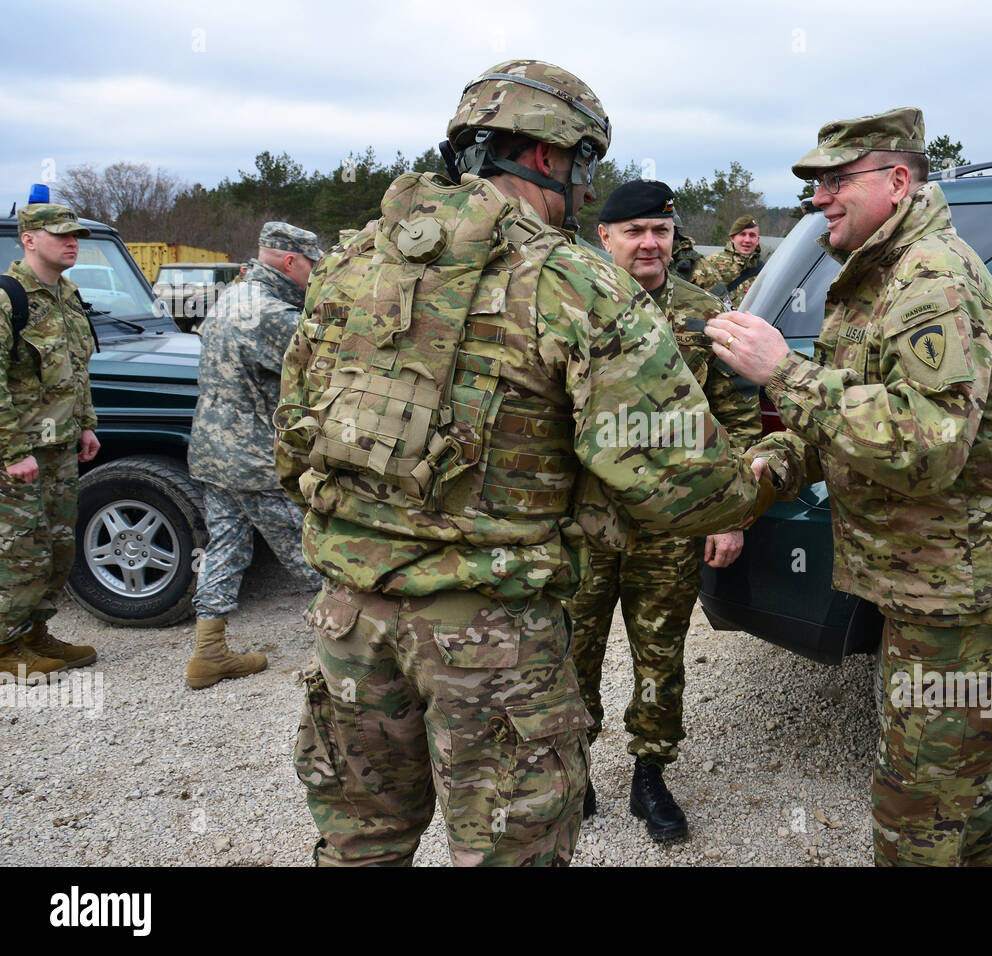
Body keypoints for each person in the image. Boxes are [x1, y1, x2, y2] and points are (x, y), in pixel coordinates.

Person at [275, 59, 771, 867]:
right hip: (491, 639)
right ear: (551, 157)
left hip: (348, 625)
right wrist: (775, 464)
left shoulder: (350, 266)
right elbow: (689, 490)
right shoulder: (574, 282)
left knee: (358, 848)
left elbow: (292, 444)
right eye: (587, 166)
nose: (587, 186)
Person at [705, 108, 992, 866]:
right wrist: (764, 468)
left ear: (898, 181)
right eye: (814, 185)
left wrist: (780, 370)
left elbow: (927, 450)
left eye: (836, 181)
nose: (820, 197)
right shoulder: (873, 276)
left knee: (916, 807)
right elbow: (840, 416)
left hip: (958, 589)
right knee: (968, 780)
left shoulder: (932, 282)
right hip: (927, 580)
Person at [568, 179, 761, 841]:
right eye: (635, 231)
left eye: (661, 230)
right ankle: (574, 770)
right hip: (582, 525)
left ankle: (650, 774)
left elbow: (736, 418)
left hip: (670, 526)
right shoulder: (570, 306)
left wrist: (733, 514)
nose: (650, 243)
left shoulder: (705, 313)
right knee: (571, 653)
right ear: (605, 237)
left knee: (660, 656)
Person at [184, 221, 324, 689]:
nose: (314, 274)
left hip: (212, 452)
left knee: (225, 547)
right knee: (312, 554)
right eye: (311, 264)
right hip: (257, 460)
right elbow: (324, 371)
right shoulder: (271, 313)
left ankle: (209, 653)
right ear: (290, 261)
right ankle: (350, 654)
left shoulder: (233, 297)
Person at [0, 203, 100, 682]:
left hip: (59, 448)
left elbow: (76, 370)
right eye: (60, 234)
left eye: (75, 235)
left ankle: (35, 632)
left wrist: (85, 423)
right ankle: (5, 646)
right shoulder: (8, 298)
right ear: (28, 239)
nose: (71, 242)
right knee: (20, 552)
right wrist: (12, 451)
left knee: (59, 550)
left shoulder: (68, 295)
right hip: (18, 454)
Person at [691, 214, 765, 307]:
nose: (747, 240)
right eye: (742, 234)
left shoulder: (764, 270)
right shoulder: (713, 261)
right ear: (733, 238)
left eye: (752, 235)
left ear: (757, 240)